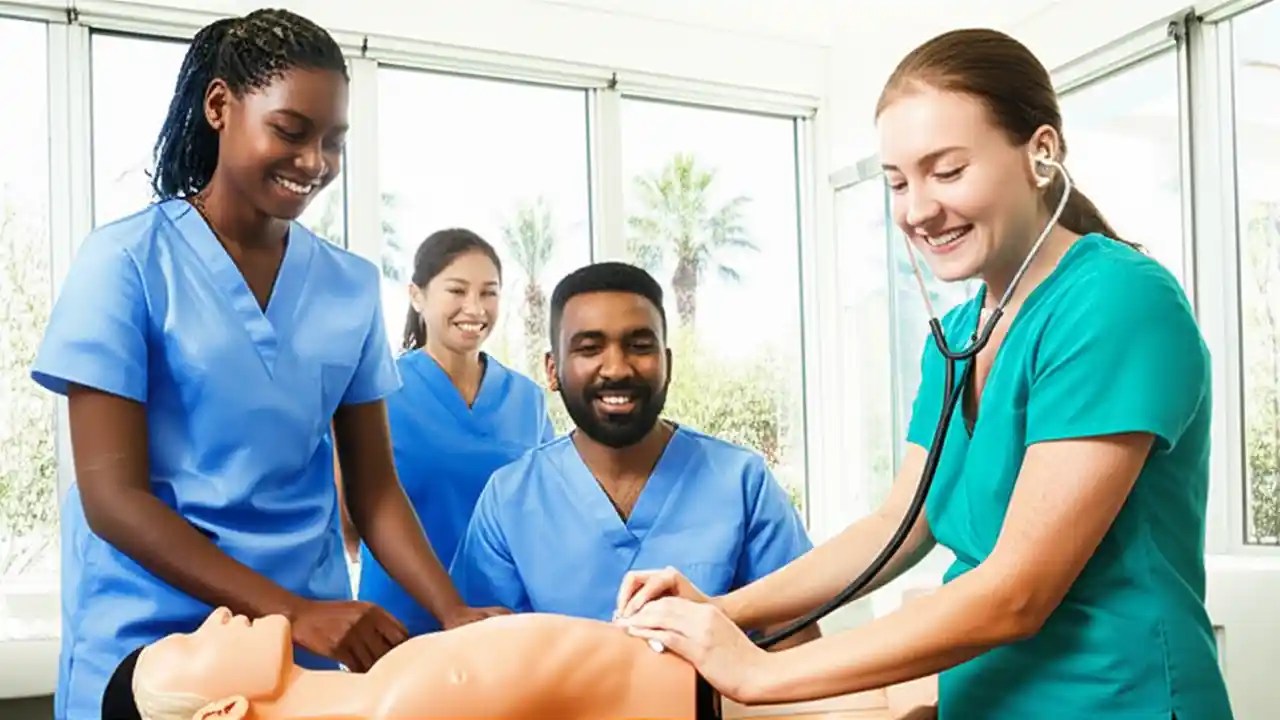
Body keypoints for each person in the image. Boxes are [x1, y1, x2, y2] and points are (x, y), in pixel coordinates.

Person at [613, 28, 1234, 720]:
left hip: (1121, 700)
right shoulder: (959, 338)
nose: (916, 209)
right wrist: (725, 610)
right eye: (898, 181)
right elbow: (898, 526)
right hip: (989, 701)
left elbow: (1016, 594)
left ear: (1042, 153)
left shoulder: (1115, 302)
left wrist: (759, 676)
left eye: (948, 171)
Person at [30, 10, 499, 720]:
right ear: (220, 106)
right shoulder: (126, 263)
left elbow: (373, 491)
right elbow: (113, 501)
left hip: (299, 657)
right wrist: (295, 610)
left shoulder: (346, 286)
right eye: (290, 131)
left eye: (333, 141)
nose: (315, 162)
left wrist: (452, 610)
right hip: (155, 645)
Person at [449, 262, 819, 648]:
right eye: (589, 348)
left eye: (639, 346)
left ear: (668, 363)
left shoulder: (741, 483)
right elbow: (483, 661)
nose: (616, 368)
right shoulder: (509, 499)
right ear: (553, 369)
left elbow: (796, 647)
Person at [351, 229, 555, 635]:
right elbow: (347, 520)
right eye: (457, 291)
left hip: (502, 622)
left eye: (489, 292)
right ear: (417, 295)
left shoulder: (527, 400)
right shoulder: (377, 394)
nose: (474, 308)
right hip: (398, 623)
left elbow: (548, 513)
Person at [103, 606, 700, 720]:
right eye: (190, 643)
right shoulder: (397, 707)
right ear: (221, 715)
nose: (217, 618)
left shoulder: (386, 685)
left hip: (736, 674)